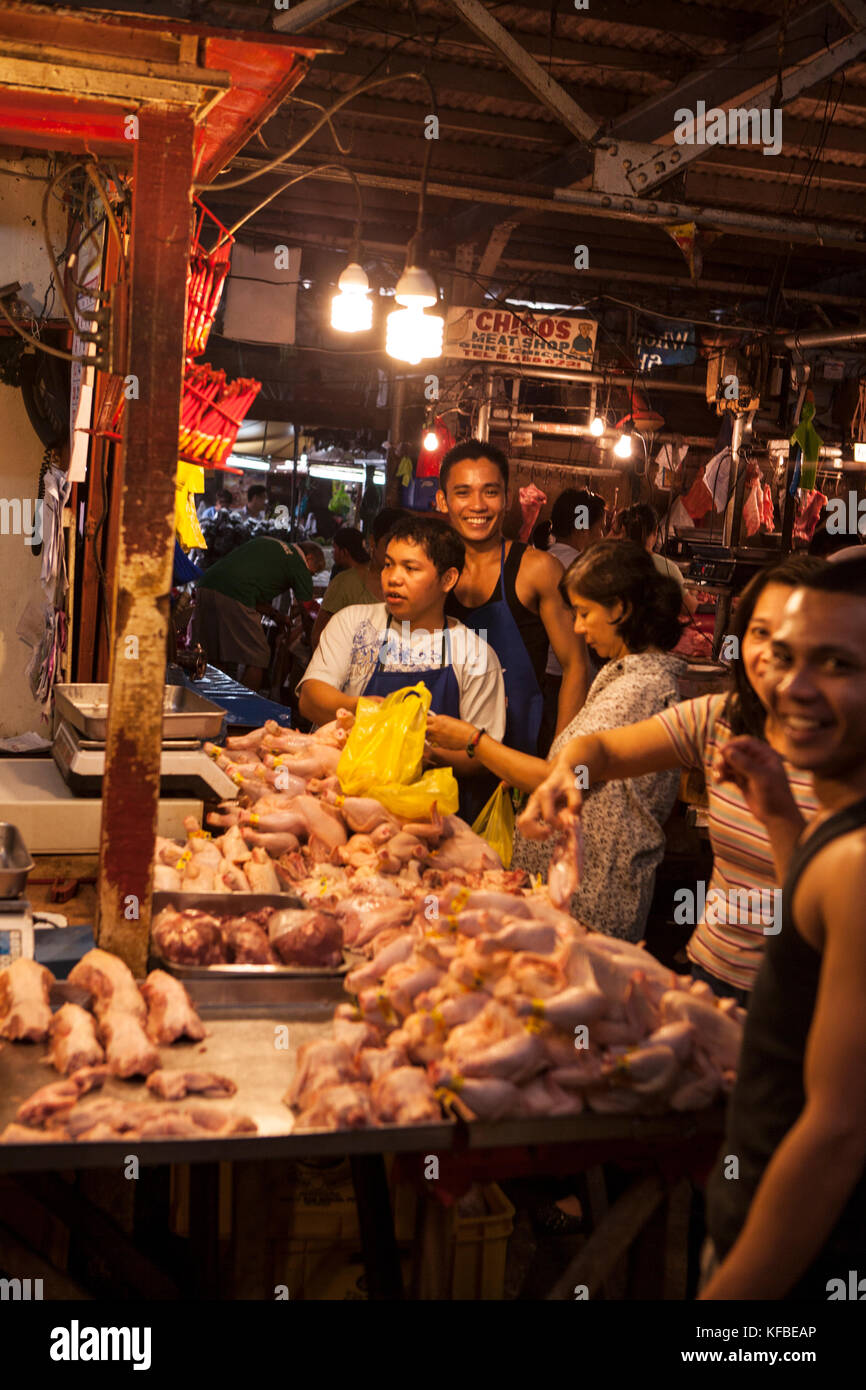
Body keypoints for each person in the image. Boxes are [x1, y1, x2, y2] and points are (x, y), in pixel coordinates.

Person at [519, 556, 825, 1001]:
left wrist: (777, 810)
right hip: (710, 971)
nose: (771, 650)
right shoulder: (723, 718)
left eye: (795, 633)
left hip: (797, 995)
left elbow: (827, 906)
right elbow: (603, 749)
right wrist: (568, 770)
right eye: (760, 631)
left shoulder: (845, 754)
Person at [700, 557, 866, 1300]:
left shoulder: (858, 860)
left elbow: (839, 1132)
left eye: (838, 665)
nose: (793, 688)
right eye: (786, 657)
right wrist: (775, 807)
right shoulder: (839, 836)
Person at [427, 541, 686, 941]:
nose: (578, 628)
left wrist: (473, 740)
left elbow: (561, 777)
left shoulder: (640, 690)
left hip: (593, 900)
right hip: (572, 894)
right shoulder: (622, 675)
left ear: (620, 609)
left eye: (584, 614)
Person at [298, 515, 505, 792]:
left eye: (410, 568)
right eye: (388, 564)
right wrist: (369, 711)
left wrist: (424, 753)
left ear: (448, 579)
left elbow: (481, 755)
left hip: (422, 808)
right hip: (339, 792)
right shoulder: (354, 623)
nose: (393, 578)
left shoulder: (474, 653)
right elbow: (310, 699)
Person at [435, 441, 590, 810]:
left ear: (506, 499)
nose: (477, 505)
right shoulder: (426, 571)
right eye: (463, 493)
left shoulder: (537, 569)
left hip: (516, 765)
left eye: (490, 492)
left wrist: (558, 760)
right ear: (442, 501)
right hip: (436, 761)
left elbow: (576, 666)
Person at [194, 535, 324, 690]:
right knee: (258, 657)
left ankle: (212, 702)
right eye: (313, 573)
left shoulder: (271, 542)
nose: (311, 576)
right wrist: (311, 639)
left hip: (205, 586)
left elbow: (250, 586)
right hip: (235, 594)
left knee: (214, 654)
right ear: (308, 558)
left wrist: (276, 615)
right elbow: (307, 610)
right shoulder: (298, 563)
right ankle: (244, 708)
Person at [540, 488, 607, 752]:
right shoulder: (583, 567)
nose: (601, 536)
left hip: (541, 671)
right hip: (567, 678)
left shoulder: (540, 557)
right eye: (600, 528)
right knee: (563, 748)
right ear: (582, 528)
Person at [310, 507, 403, 650]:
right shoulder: (346, 583)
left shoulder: (414, 588)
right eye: (390, 543)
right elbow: (318, 638)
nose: (398, 552)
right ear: (373, 542)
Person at [615, 502, 698, 616]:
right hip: (650, 631)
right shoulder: (668, 568)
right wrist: (693, 594)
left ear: (624, 530)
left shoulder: (612, 560)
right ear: (655, 531)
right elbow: (689, 608)